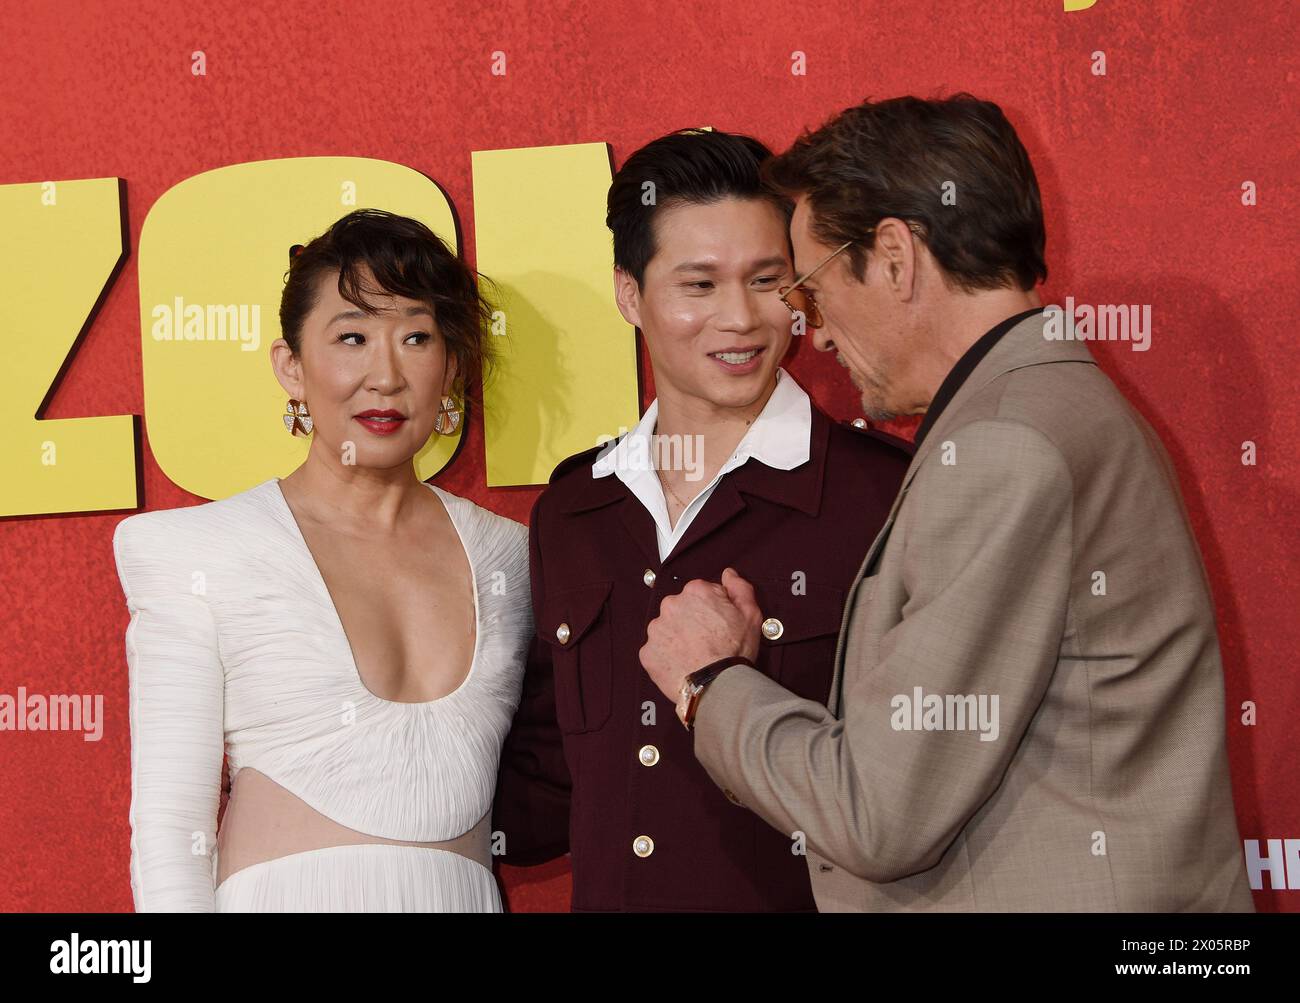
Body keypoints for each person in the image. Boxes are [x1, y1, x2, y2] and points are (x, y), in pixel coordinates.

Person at [640, 95, 1256, 912]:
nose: (814, 334)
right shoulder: (1046, 408)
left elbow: (877, 815)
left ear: (894, 256)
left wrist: (708, 682)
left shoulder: (1005, 444)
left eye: (814, 288)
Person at [491, 128, 910, 911]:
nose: (742, 319)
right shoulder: (574, 511)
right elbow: (543, 785)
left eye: (766, 280)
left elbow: (915, 788)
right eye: (699, 285)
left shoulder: (882, 498)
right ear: (628, 294)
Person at [113, 209, 531, 911]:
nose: (385, 375)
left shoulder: (512, 557)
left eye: (417, 337)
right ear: (292, 367)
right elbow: (169, 832)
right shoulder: (199, 553)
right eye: (352, 338)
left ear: (453, 367)